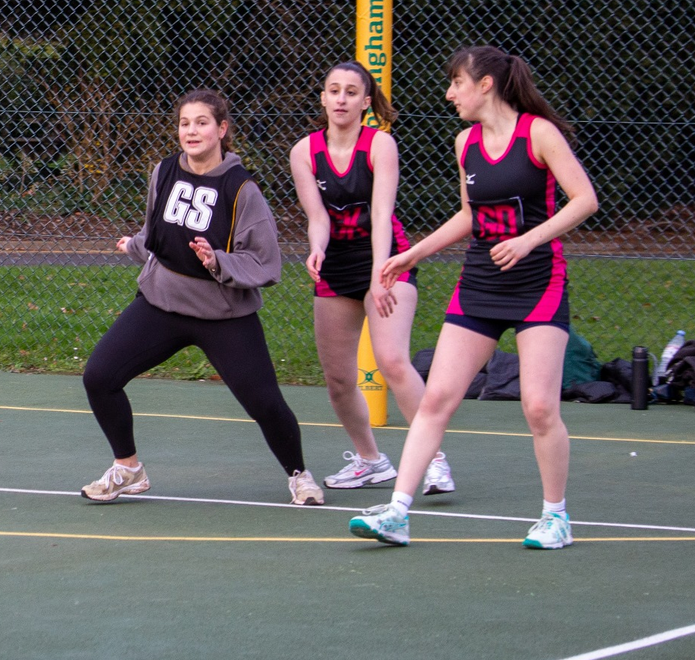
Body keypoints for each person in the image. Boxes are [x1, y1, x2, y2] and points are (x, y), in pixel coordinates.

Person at [348, 46, 598, 549]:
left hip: (537, 284)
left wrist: (530, 239)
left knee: (539, 408)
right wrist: (410, 254)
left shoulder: (537, 134)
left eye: (457, 82)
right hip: (481, 281)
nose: (449, 93)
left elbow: (585, 199)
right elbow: (469, 216)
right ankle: (396, 512)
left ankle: (556, 517)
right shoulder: (465, 142)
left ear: (486, 85)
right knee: (437, 398)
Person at [80, 89, 324, 506]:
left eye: (201, 122)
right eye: (184, 123)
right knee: (99, 377)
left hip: (222, 313)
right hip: (162, 302)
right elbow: (157, 231)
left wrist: (218, 262)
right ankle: (128, 469)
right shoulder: (164, 171)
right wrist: (135, 245)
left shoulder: (241, 189)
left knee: (265, 403)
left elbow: (266, 262)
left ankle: (299, 475)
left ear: (222, 129)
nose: (191, 131)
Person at [289, 61, 455, 496]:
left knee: (392, 360)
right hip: (336, 263)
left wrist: (383, 274)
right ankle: (370, 461)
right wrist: (317, 247)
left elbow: (382, 215)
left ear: (366, 102)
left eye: (350, 92)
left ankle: (435, 461)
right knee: (338, 379)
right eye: (333, 90)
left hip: (386, 258)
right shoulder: (304, 152)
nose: (340, 99)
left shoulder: (380, 145)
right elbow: (317, 217)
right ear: (323, 98)